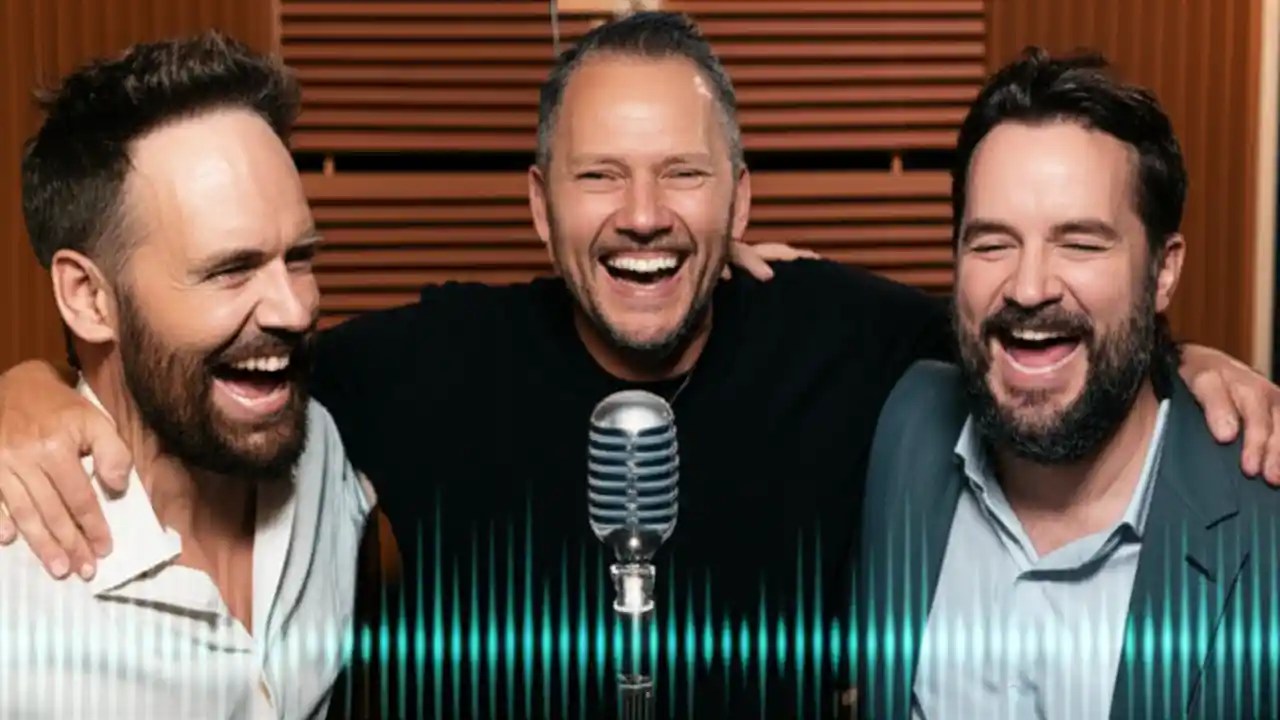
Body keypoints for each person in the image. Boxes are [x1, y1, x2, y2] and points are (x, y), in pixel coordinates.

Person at [1, 13, 1278, 720]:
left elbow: (1040, 329)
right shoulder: (412, 368)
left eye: (683, 174)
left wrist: (1188, 361)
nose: (643, 214)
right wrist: (33, 390)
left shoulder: (851, 339)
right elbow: (217, 371)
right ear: (536, 208)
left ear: (739, 198)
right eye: (598, 175)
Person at [858, 49, 1280, 720]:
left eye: (1080, 243)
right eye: (992, 243)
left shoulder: (1262, 525)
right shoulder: (906, 427)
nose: (1028, 288)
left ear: (1163, 270)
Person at [0, 33, 374, 718]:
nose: (296, 309)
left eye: (299, 257)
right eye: (230, 270)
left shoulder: (323, 452)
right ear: (89, 298)